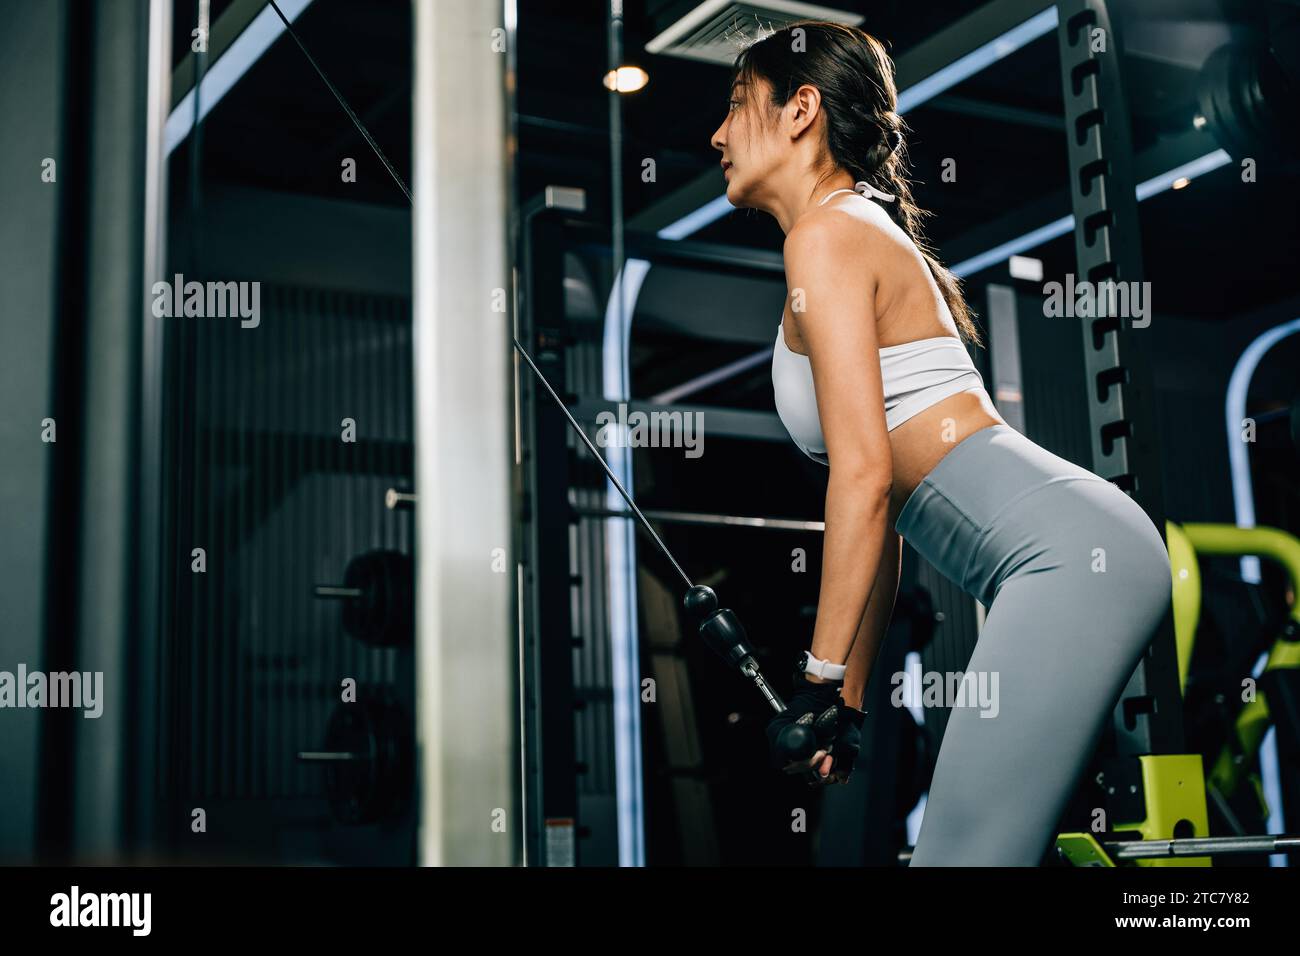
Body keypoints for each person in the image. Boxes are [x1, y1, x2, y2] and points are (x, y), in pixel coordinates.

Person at [710, 20, 1171, 866]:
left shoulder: (828, 234)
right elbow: (879, 513)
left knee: (961, 857)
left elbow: (863, 475)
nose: (718, 133)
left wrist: (814, 678)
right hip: (1074, 551)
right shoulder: (841, 233)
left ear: (801, 109)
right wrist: (843, 703)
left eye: (737, 106)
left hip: (1071, 557)